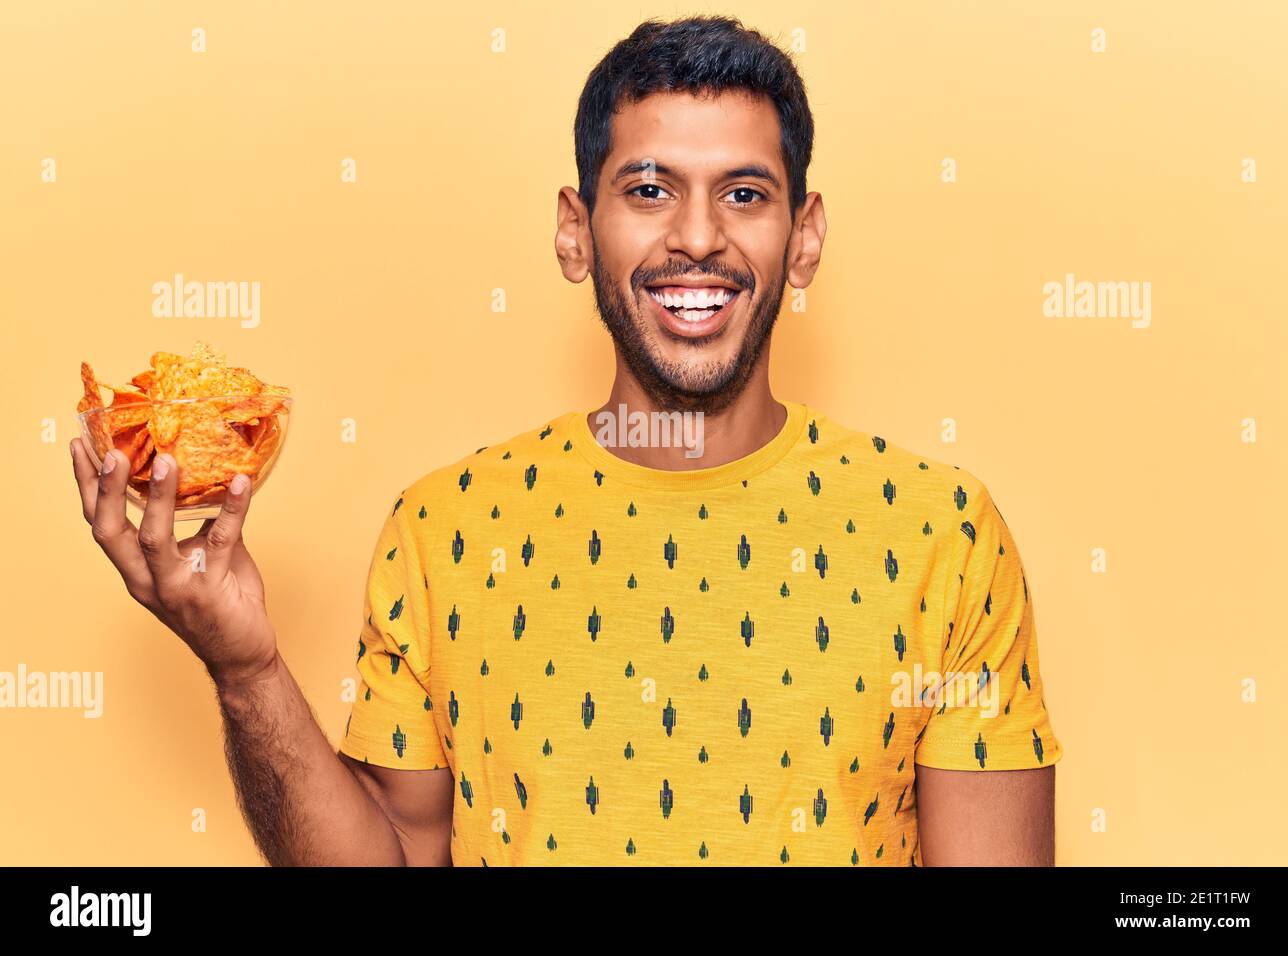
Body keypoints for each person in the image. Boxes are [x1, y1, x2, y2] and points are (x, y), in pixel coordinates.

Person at [70, 14, 1062, 866]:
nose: (699, 237)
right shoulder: (444, 529)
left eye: (744, 193)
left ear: (803, 237)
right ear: (574, 231)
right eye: (648, 189)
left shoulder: (944, 534)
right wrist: (244, 669)